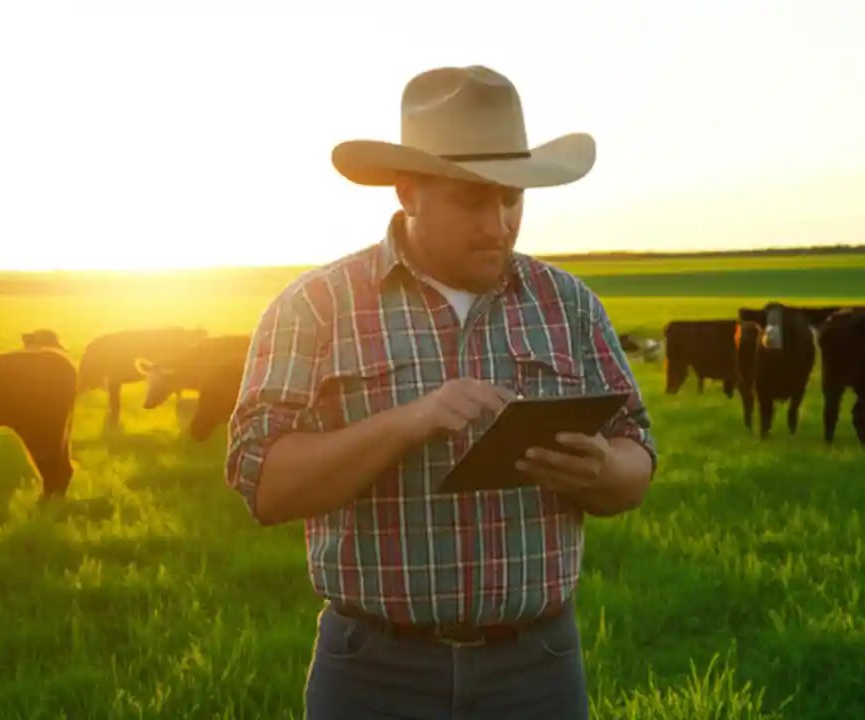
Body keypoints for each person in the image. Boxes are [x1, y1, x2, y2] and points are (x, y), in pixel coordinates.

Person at [225, 65, 658, 720]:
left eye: (512, 197)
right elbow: (265, 486)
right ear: (408, 191)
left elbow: (637, 462)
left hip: (536, 672)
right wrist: (407, 423)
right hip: (374, 674)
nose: (499, 223)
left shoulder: (569, 305)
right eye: (471, 199)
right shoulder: (315, 309)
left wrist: (600, 469)